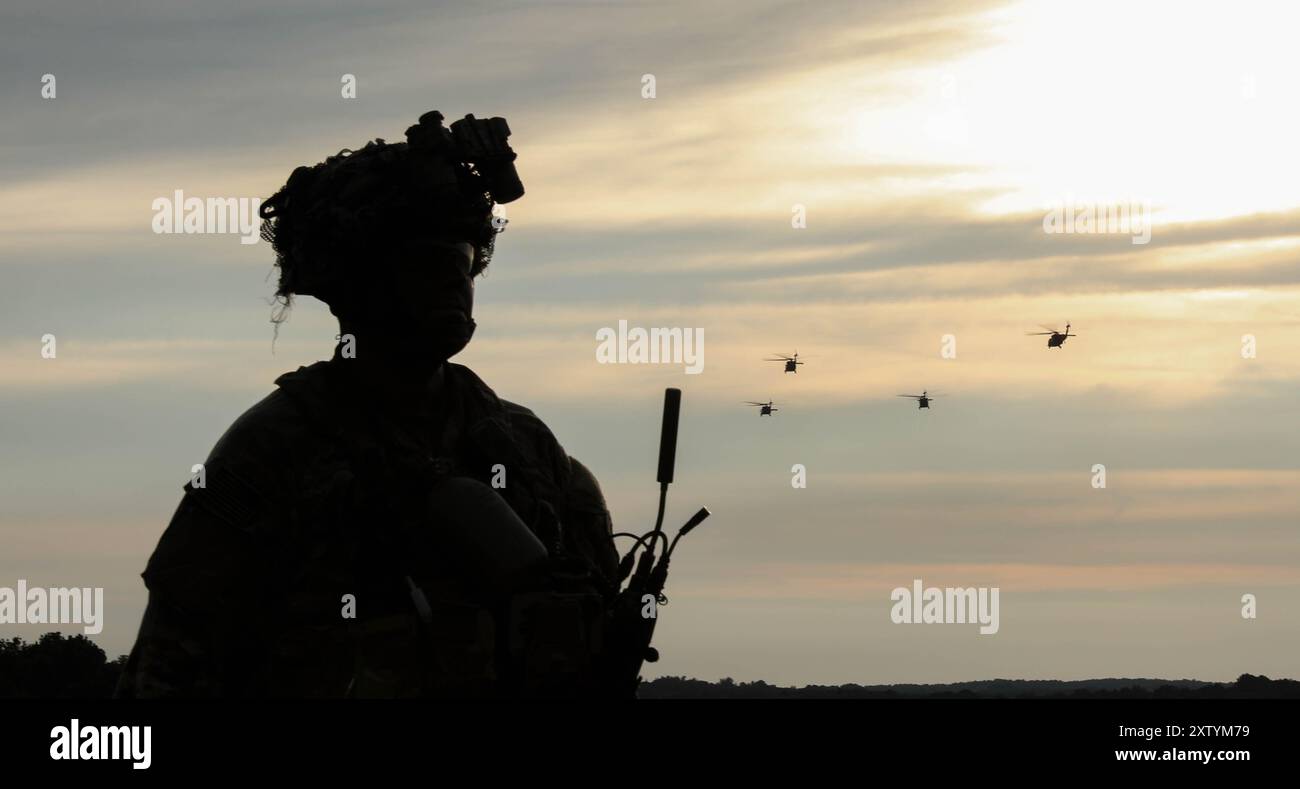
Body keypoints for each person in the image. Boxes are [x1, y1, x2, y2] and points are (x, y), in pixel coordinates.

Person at [116, 111, 621, 698]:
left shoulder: (527, 449)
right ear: (353, 286)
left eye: (460, 261)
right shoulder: (272, 449)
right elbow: (169, 666)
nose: (453, 282)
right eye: (423, 265)